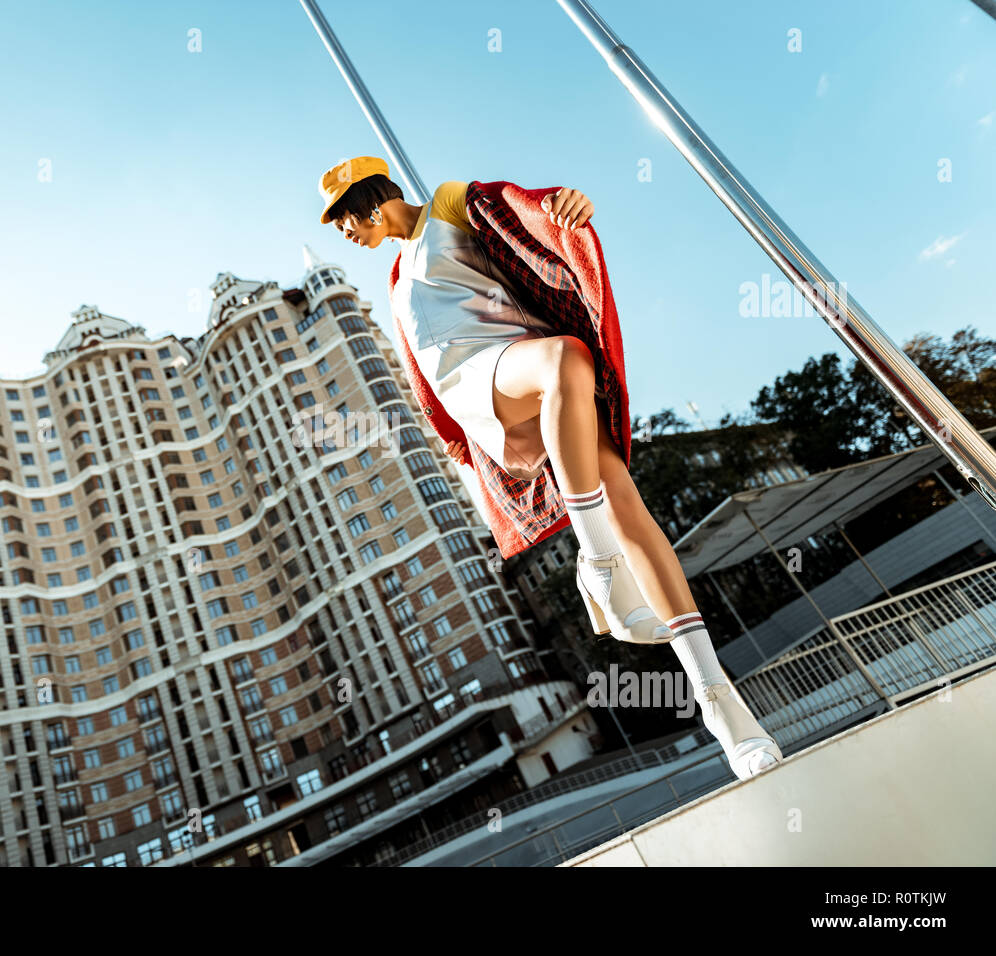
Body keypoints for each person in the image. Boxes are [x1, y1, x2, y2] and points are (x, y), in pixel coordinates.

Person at [315, 156, 782, 779]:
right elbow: (426, 374)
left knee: (628, 509)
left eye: (343, 217)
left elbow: (521, 207)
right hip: (486, 385)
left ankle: (727, 715)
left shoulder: (448, 206)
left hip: (527, 365)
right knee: (567, 358)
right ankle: (597, 564)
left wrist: (567, 205)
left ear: (368, 199)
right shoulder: (396, 278)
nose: (344, 233)